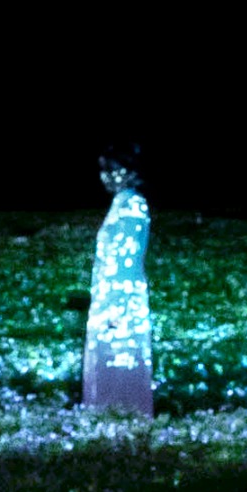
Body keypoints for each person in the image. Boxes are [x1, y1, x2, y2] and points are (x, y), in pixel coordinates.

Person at [82, 153, 153, 415]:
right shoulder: (120, 203)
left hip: (120, 300)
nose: (105, 178)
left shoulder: (132, 204)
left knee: (120, 355)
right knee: (108, 357)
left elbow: (128, 259)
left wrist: (117, 308)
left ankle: (124, 408)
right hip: (109, 296)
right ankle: (108, 410)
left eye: (111, 170)